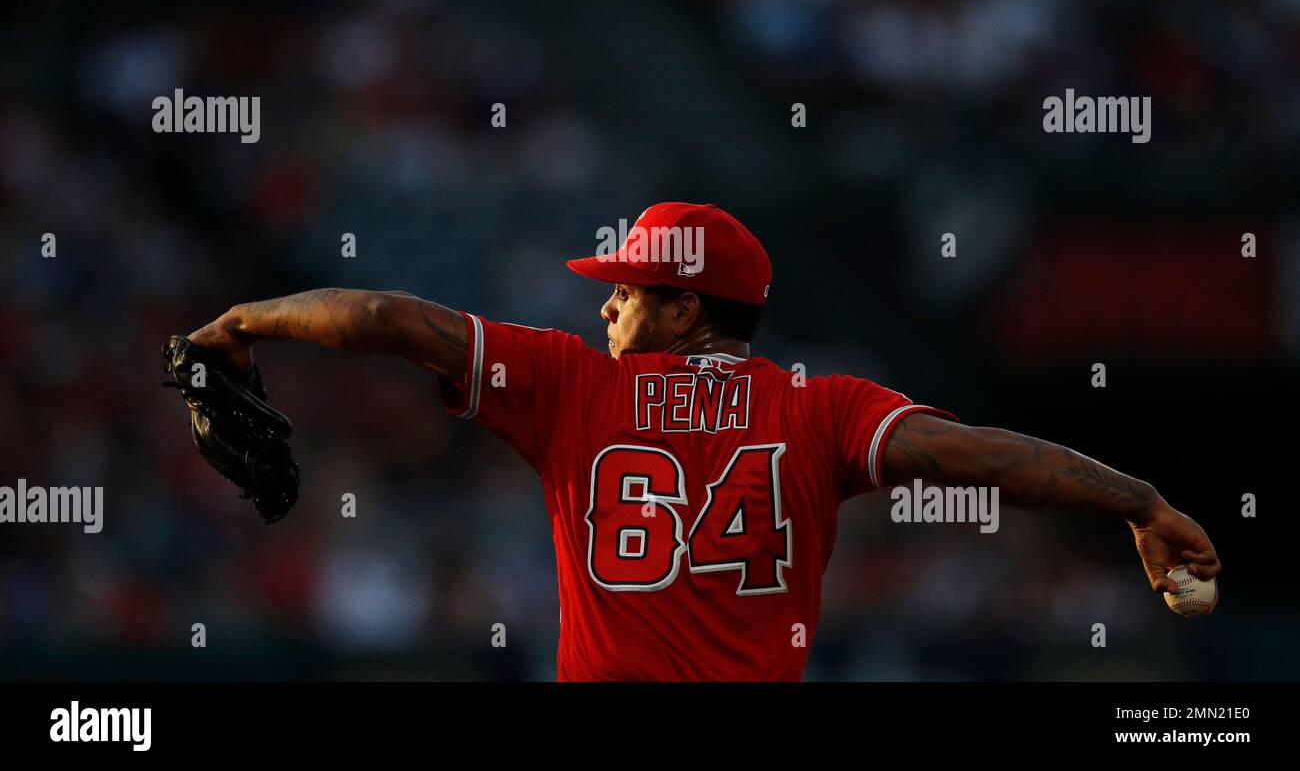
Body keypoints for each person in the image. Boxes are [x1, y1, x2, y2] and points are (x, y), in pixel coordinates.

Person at [187, 201, 1221, 680]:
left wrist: (245, 319)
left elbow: (381, 315)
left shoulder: (568, 385)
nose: (604, 310)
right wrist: (1135, 497)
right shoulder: (822, 407)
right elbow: (989, 460)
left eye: (625, 292)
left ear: (683, 308)